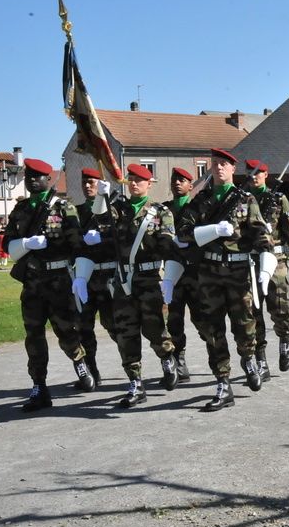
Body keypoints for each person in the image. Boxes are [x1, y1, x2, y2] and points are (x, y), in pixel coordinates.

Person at [73, 163, 181, 407]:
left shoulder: (160, 211)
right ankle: (135, 382)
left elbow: (166, 241)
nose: (134, 183)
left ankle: (167, 357)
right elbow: (100, 216)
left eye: (139, 180)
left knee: (154, 329)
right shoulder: (119, 209)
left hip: (149, 278)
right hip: (123, 281)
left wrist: (171, 272)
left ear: (148, 183)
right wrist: (101, 194)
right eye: (131, 179)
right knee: (126, 333)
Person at [176, 148, 276, 410]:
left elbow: (261, 234)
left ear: (233, 170)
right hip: (209, 274)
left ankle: (249, 358)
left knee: (245, 325)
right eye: (215, 164)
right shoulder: (200, 200)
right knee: (212, 330)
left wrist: (266, 265)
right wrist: (212, 231)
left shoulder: (245, 199)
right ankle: (223, 383)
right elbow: (183, 232)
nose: (219, 168)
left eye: (225, 164)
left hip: (238, 272)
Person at [3, 157, 95, 412]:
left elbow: (77, 244)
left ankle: (79, 360)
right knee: (33, 336)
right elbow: (7, 244)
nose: (32, 180)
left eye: (38, 176)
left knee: (66, 332)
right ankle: (39, 386)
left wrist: (79, 277)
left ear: (47, 179)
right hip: (32, 282)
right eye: (29, 176)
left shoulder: (63, 208)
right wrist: (26, 244)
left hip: (58, 282)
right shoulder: (20, 210)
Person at [246, 160, 289, 380]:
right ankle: (261, 360)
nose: (254, 177)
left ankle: (284, 339)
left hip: (276, 260)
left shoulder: (278, 199)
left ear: (266, 174)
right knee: (252, 313)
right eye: (250, 173)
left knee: (279, 307)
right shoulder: (241, 199)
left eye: (258, 173)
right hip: (250, 260)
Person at [164, 166, 218, 383]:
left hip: (195, 273)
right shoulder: (164, 209)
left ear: (190, 184)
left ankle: (216, 358)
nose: (177, 183)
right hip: (173, 274)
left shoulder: (198, 208)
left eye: (182, 180)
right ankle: (179, 362)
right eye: (174, 180)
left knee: (203, 320)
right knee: (174, 321)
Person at [72, 168, 120, 384]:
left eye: (92, 182)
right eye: (84, 182)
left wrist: (104, 240)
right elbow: (70, 241)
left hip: (108, 275)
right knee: (84, 327)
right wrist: (83, 241)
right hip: (85, 277)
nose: (87, 186)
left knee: (115, 325)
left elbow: (121, 239)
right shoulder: (76, 211)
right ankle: (92, 371)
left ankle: (130, 368)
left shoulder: (114, 207)